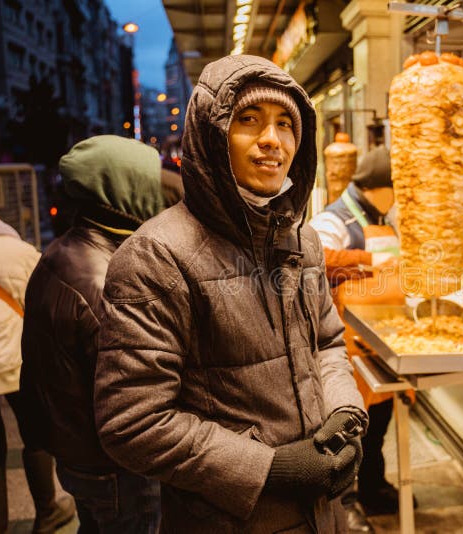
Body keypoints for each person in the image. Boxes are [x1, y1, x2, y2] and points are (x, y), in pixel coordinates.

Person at [93, 54, 368, 533]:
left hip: (322, 514)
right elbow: (133, 422)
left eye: (286, 124)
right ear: (210, 135)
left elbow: (326, 343)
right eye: (248, 120)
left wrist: (345, 413)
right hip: (229, 520)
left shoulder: (301, 239)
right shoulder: (157, 256)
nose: (272, 140)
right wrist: (269, 469)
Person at [19, 136, 165, 533]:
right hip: (118, 469)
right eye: (150, 182)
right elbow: (137, 399)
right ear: (123, 189)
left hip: (79, 453)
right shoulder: (106, 280)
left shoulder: (64, 249)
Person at [0, 170, 76, 533]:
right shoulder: (16, 250)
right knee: (34, 433)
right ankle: (48, 511)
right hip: (15, 362)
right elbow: (41, 299)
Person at [310, 142, 412, 522]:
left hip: (382, 337)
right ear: (380, 187)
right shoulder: (336, 219)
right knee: (346, 426)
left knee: (380, 420)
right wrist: (369, 261)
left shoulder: (382, 216)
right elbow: (316, 257)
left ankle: (373, 486)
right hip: (345, 342)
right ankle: (346, 506)